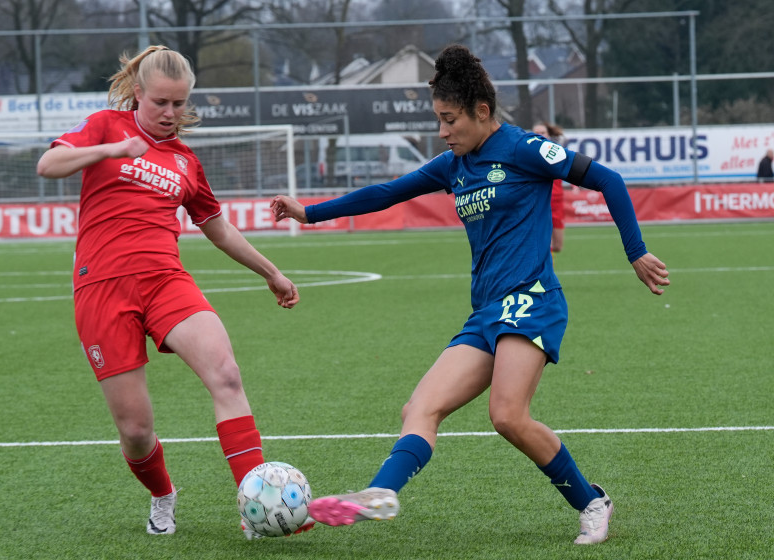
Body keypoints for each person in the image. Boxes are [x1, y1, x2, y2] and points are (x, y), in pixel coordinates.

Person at [270, 44, 670, 545]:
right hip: (486, 314)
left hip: (533, 300)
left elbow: (606, 179)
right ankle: (378, 494)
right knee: (419, 408)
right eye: (438, 119)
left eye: (449, 118)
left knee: (506, 415)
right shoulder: (451, 165)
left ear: (482, 112)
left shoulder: (525, 149)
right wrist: (309, 212)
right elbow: (386, 193)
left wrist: (636, 252)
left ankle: (591, 501)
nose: (442, 131)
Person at [36, 45, 311, 539]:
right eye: (161, 102)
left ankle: (257, 503)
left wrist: (272, 272)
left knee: (226, 375)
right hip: (102, 289)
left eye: (179, 104)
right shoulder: (104, 126)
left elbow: (218, 228)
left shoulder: (185, 160)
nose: (170, 113)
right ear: (138, 93)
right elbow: (49, 164)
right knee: (136, 431)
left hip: (166, 281)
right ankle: (163, 493)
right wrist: (112, 151)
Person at [532, 121, 567, 253]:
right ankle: (543, 271)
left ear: (548, 134)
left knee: (557, 246)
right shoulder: (528, 154)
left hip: (557, 203)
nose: (539, 135)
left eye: (542, 132)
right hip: (539, 202)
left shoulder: (557, 151)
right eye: (536, 133)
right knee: (541, 244)